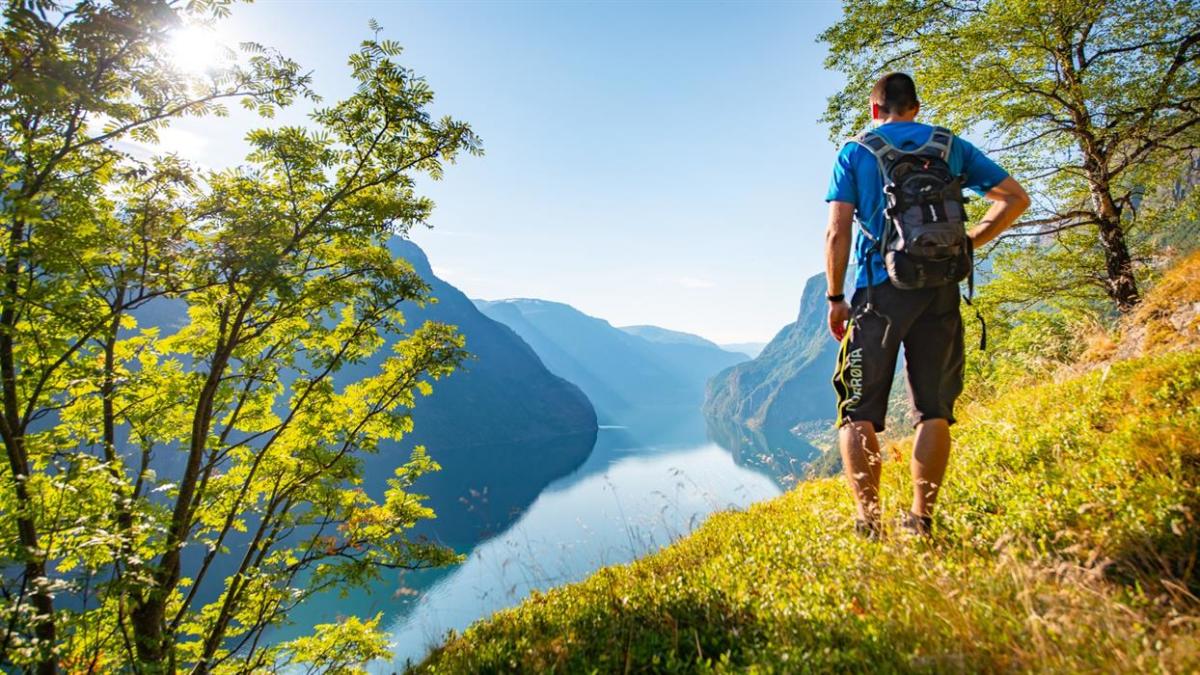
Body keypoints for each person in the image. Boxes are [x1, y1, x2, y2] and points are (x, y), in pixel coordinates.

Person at [823, 72, 1029, 539]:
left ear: (876, 110)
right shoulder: (949, 146)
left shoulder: (857, 151)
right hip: (939, 288)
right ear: (915, 107)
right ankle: (921, 519)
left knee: (857, 410)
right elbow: (1015, 199)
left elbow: (838, 231)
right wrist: (971, 241)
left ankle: (869, 524)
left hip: (878, 293)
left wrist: (836, 298)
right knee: (933, 409)